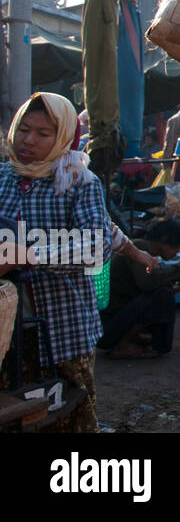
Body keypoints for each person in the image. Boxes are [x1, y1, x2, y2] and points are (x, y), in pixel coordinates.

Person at [0, 93, 116, 432]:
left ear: (63, 137)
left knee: (69, 418)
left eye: (43, 133)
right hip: (8, 332)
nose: (29, 140)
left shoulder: (77, 181)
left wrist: (28, 255)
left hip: (62, 327)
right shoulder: (3, 177)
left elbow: (97, 245)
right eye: (23, 129)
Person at [98, 218, 180, 359]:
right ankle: (123, 344)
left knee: (162, 343)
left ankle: (133, 339)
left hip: (114, 323)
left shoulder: (149, 254)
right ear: (164, 240)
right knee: (163, 294)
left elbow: (154, 297)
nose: (177, 252)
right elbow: (148, 285)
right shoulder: (139, 248)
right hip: (106, 328)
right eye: (176, 246)